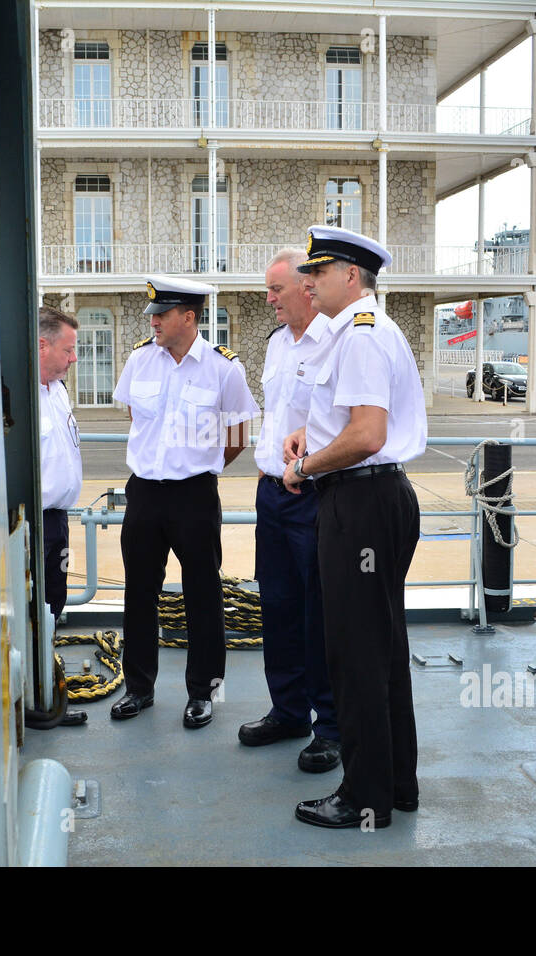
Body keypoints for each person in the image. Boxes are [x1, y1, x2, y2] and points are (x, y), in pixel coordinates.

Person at [281, 225, 427, 829]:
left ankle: (365, 798)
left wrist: (305, 466)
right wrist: (308, 436)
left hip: (361, 506)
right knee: (384, 648)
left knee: (357, 655)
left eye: (316, 272)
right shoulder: (356, 332)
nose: (306, 281)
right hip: (375, 496)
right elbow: (350, 422)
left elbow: (367, 434)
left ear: (350, 276)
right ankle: (396, 784)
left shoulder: (362, 335)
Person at [110, 275, 260, 729]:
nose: (153, 321)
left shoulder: (224, 368)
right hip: (144, 492)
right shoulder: (140, 360)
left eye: (161, 314)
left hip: (194, 494)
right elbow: (136, 416)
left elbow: (237, 436)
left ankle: (204, 692)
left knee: (202, 594)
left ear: (189, 317)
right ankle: (138, 688)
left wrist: (200, 464)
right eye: (152, 314)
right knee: (139, 592)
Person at [238, 249, 341, 773]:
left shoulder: (337, 343)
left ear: (307, 287)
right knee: (276, 605)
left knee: (318, 611)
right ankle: (288, 710)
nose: (269, 298)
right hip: (272, 494)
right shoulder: (277, 345)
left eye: (276, 289)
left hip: (315, 494)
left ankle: (330, 727)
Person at [37, 306, 82, 623]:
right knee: (32, 607)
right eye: (68, 350)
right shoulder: (15, 396)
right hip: (31, 527)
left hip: (58, 521)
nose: (74, 358)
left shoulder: (58, 392)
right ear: (42, 345)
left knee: (55, 600)